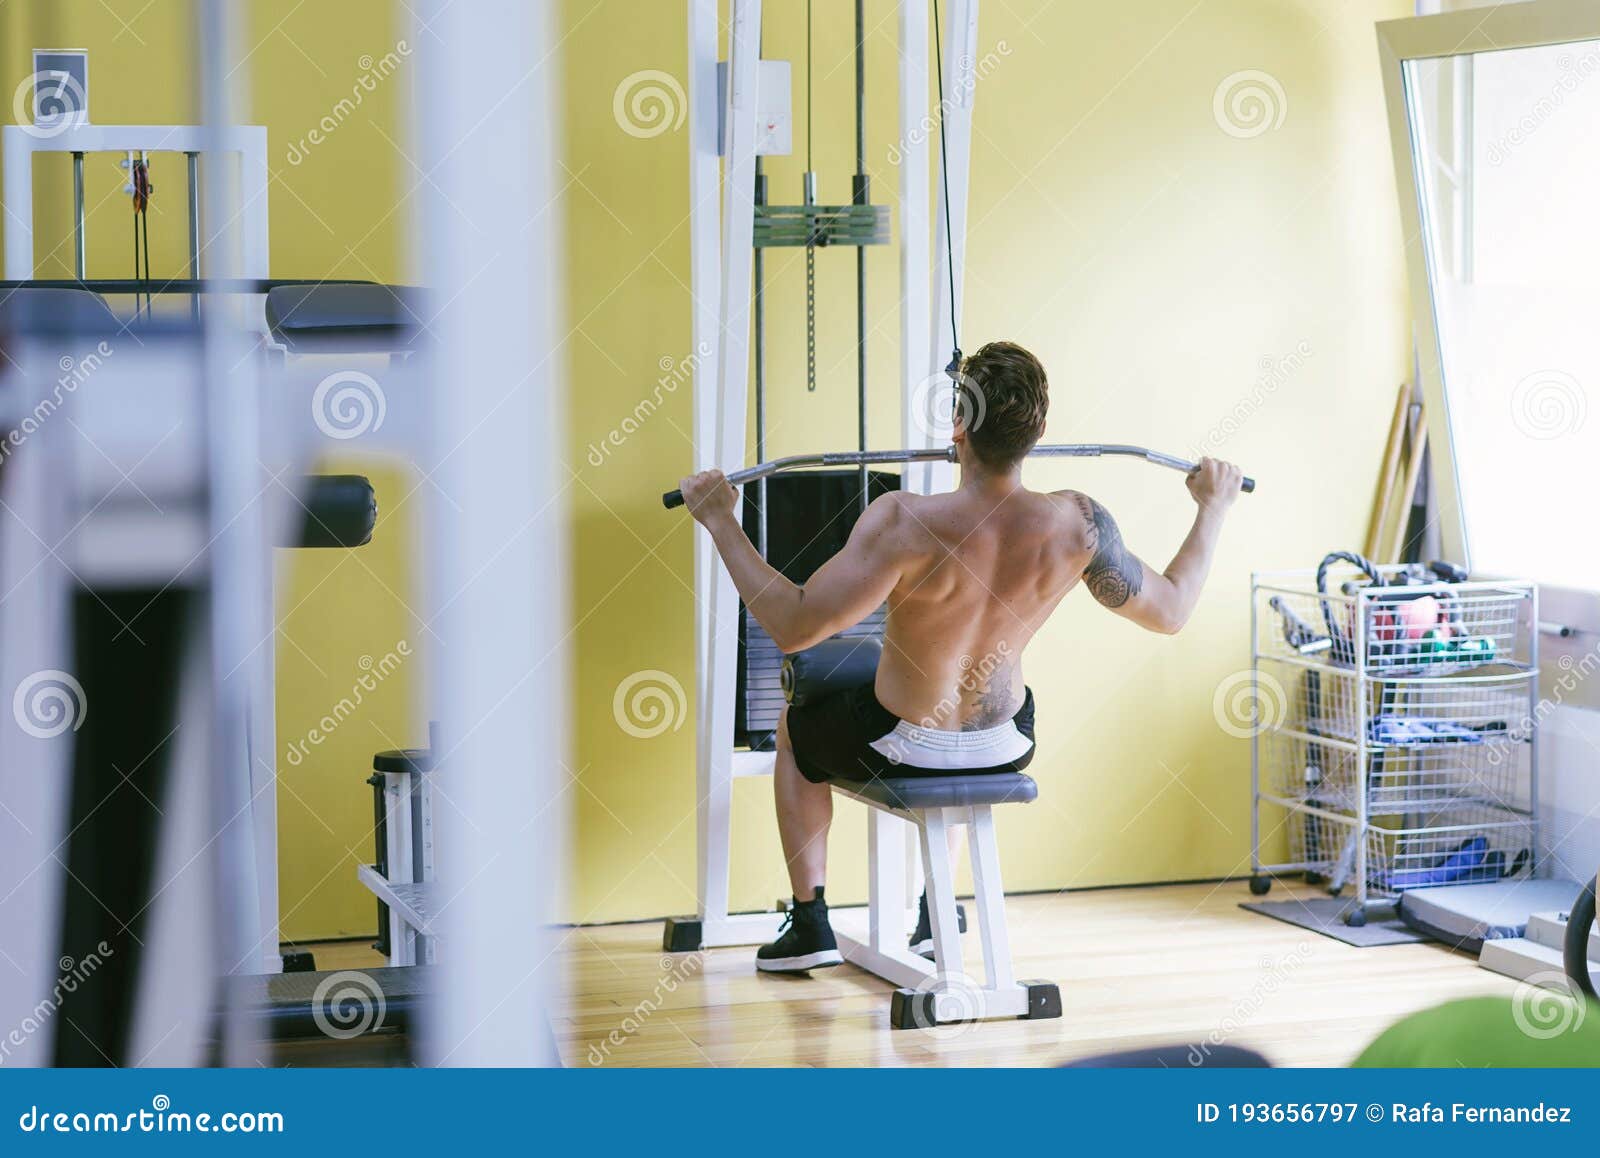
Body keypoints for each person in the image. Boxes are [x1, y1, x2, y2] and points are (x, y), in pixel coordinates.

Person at [677, 340, 1244, 972]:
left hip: (899, 740)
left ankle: (811, 922)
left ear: (957, 427)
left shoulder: (903, 522)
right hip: (1005, 739)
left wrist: (721, 521)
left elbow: (794, 626)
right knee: (938, 737)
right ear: (1039, 431)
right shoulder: (1079, 524)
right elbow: (1170, 611)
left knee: (794, 726)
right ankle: (933, 912)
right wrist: (1214, 508)